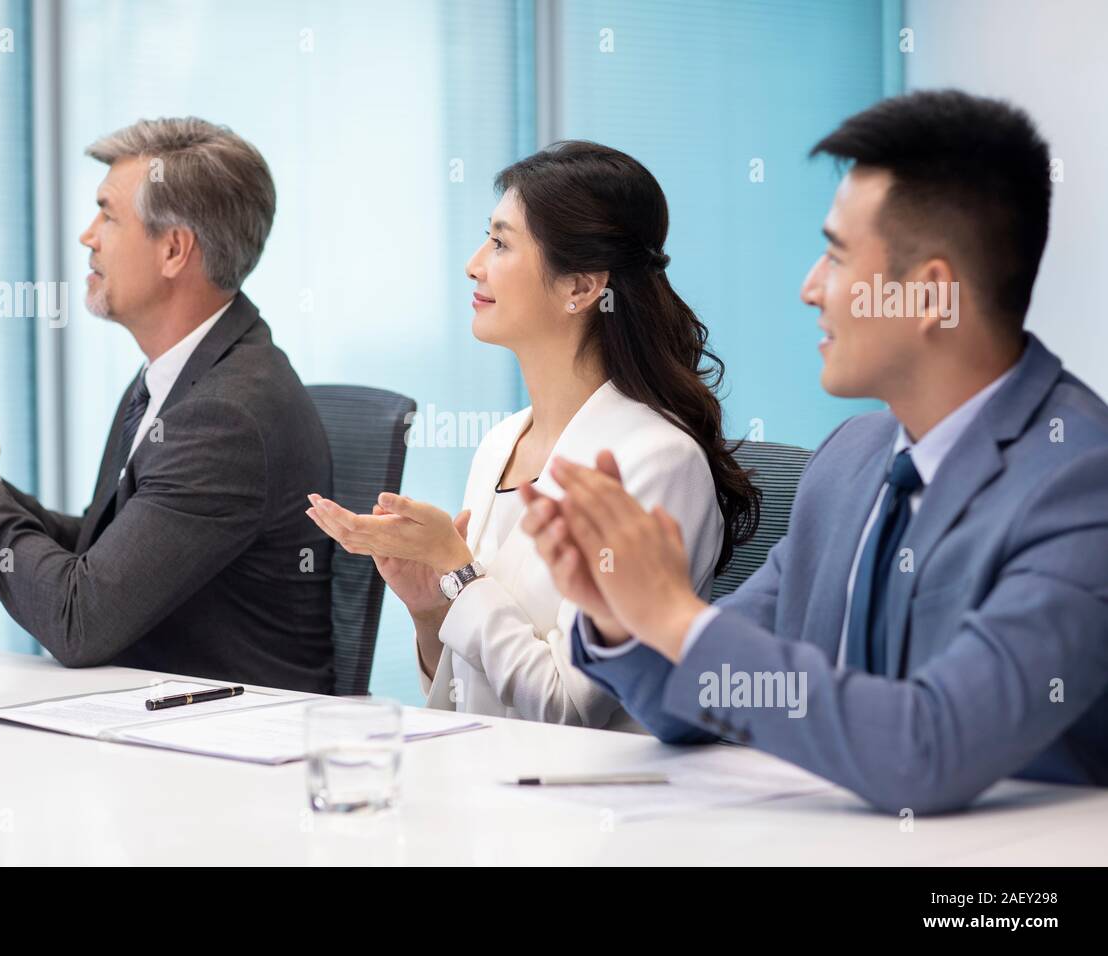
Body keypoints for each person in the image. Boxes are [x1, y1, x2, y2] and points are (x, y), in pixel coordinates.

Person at [521, 91, 1108, 812]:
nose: (808, 289)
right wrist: (620, 615)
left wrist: (675, 615)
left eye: (834, 255)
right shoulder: (852, 459)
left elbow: (928, 750)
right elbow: (700, 699)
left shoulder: (1082, 481)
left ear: (929, 297)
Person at [0, 117, 335, 692]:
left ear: (173, 249)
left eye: (108, 215)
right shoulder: (178, 377)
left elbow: (79, 619)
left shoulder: (225, 416)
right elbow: (101, 558)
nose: (89, 236)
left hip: (227, 753)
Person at [307, 142, 758, 727]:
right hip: (490, 785)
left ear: (580, 288)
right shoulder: (501, 443)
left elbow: (567, 711)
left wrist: (458, 571)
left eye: (500, 243)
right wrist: (429, 607)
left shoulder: (656, 461)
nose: (474, 264)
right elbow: (460, 701)